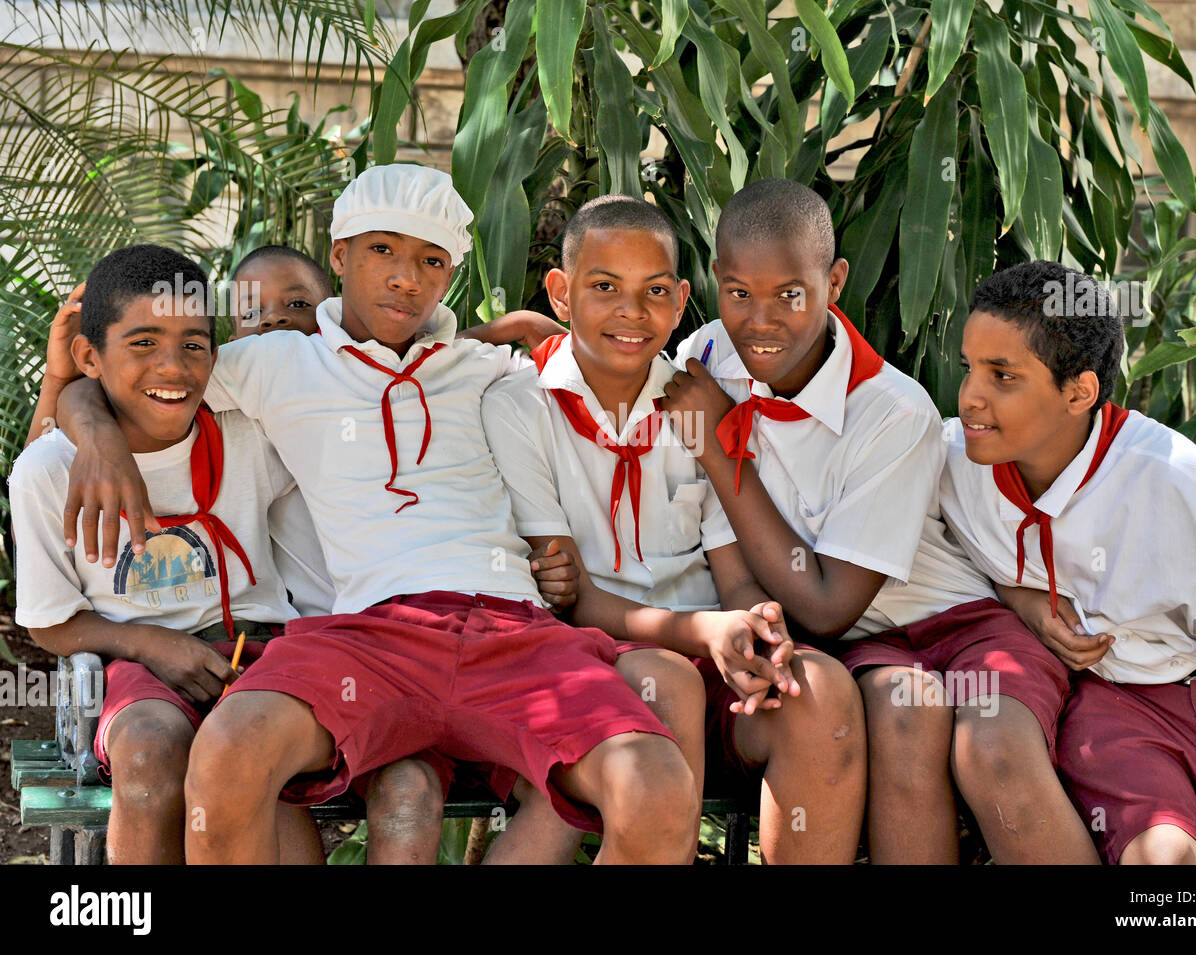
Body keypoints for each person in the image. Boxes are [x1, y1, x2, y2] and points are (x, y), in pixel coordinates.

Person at [55, 164, 699, 864]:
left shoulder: (486, 368)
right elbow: (141, 374)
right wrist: (92, 432)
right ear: (340, 258)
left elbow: (604, 359)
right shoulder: (279, 364)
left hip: (512, 631)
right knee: (231, 747)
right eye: (382, 251)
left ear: (449, 274)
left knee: (657, 785)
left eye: (429, 261)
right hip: (369, 638)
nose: (405, 278)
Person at [662, 179, 1094, 863]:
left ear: (834, 282)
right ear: (716, 279)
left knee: (995, 747)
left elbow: (830, 604)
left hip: (957, 626)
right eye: (740, 292)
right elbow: (733, 561)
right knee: (905, 711)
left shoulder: (895, 410)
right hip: (870, 652)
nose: (762, 320)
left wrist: (718, 451)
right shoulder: (703, 370)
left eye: (790, 294)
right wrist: (756, 628)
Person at [481, 194, 865, 864]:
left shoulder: (693, 401)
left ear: (683, 296)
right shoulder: (522, 405)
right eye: (605, 288)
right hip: (591, 653)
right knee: (668, 681)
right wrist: (704, 632)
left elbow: (734, 572)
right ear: (561, 293)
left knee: (818, 687)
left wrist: (755, 623)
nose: (632, 313)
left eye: (655, 291)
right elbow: (570, 595)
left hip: (706, 645)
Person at [942, 259, 1196, 864]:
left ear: (1079, 392)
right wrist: (1023, 601)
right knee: (1163, 865)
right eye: (969, 367)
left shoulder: (1179, 484)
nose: (970, 396)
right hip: (1111, 707)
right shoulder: (949, 463)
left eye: (1003, 376)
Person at [10, 244, 323, 863]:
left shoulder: (255, 431)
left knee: (255, 755)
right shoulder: (49, 470)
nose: (173, 367)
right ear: (88, 357)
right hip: (133, 660)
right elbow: (48, 624)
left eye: (195, 345)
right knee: (152, 752)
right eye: (144, 343)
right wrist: (158, 647)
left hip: (258, 652)